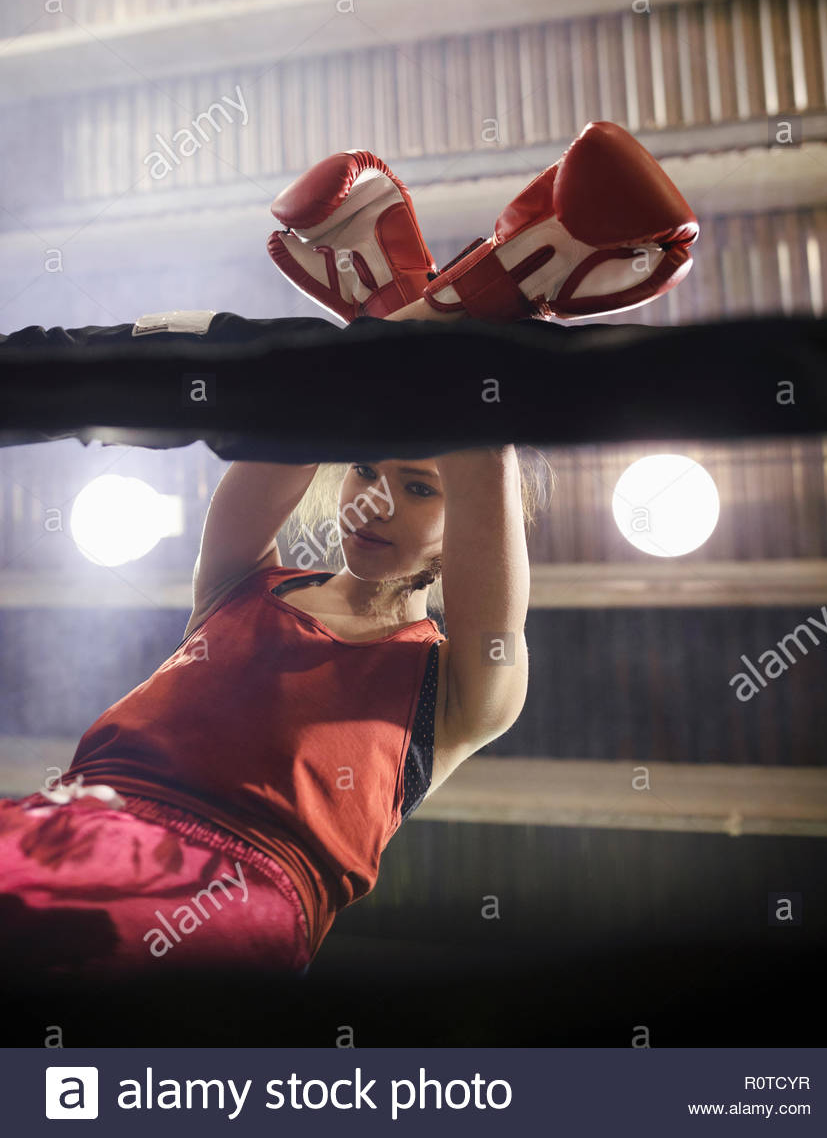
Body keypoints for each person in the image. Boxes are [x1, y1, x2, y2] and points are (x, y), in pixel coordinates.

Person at [0, 122, 697, 985]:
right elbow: (294, 415)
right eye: (369, 467)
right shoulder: (241, 583)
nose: (376, 500)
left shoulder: (469, 688)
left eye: (420, 487)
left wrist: (423, 333)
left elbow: (481, 449)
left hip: (223, 900)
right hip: (50, 824)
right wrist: (428, 325)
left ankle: (449, 300)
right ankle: (467, 294)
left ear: (466, 530)